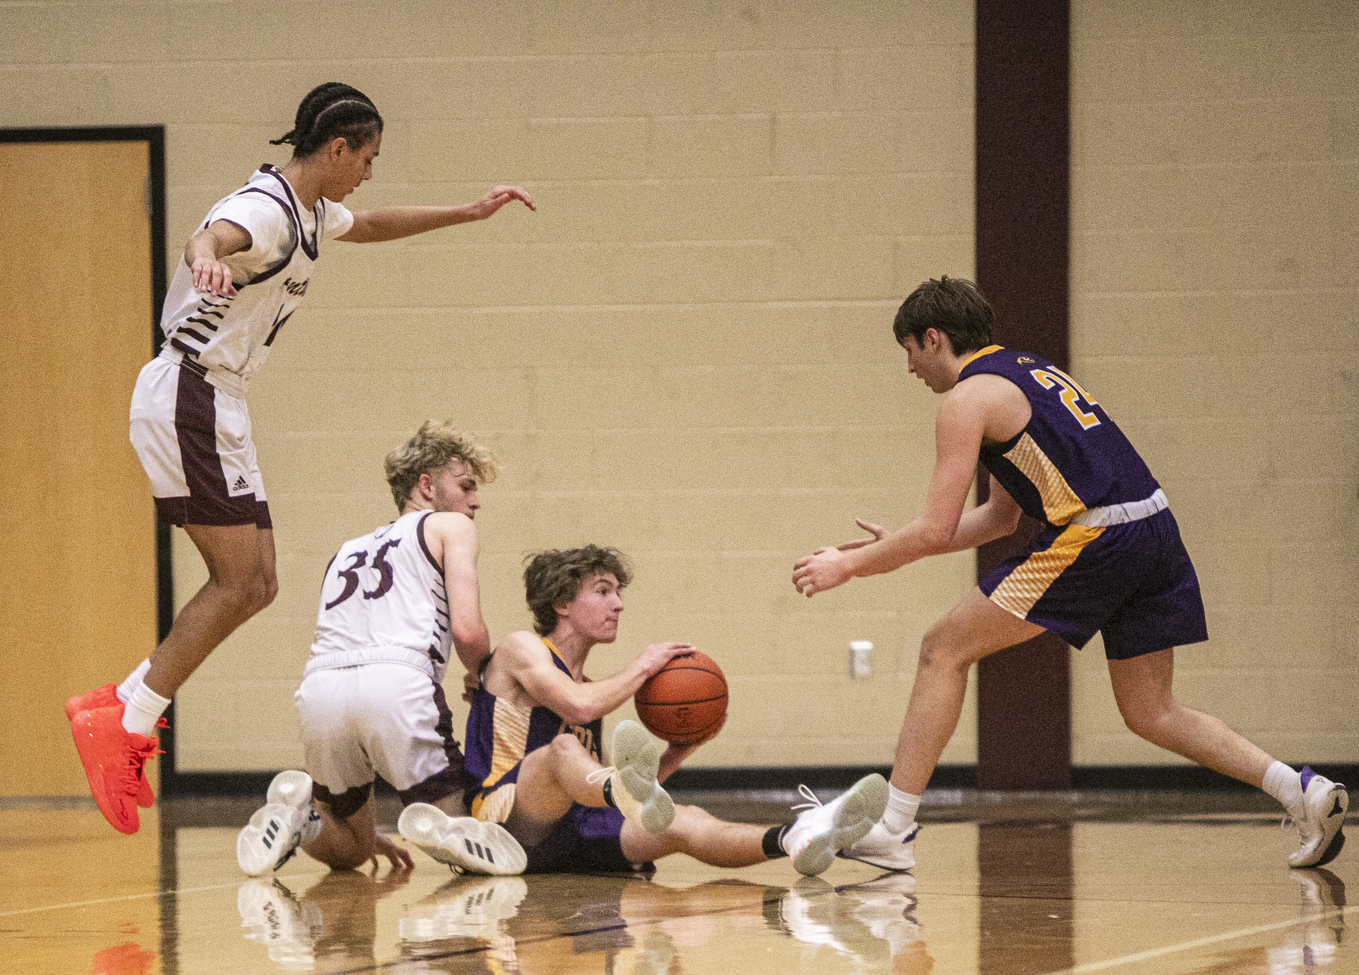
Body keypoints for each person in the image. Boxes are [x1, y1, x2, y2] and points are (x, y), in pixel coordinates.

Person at [65, 82, 537, 835]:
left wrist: (466, 211)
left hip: (220, 400)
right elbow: (213, 237)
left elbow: (373, 223)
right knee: (236, 581)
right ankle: (122, 719)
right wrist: (203, 259)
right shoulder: (264, 209)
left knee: (258, 585)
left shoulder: (314, 211)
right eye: (369, 157)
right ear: (338, 147)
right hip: (190, 390)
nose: (370, 174)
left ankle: (122, 707)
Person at [792, 276, 1349, 871]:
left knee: (941, 649)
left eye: (908, 350)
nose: (909, 369)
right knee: (1150, 711)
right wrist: (898, 543)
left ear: (934, 338)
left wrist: (848, 564)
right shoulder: (1024, 371)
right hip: (1154, 527)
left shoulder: (965, 401)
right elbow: (1000, 519)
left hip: (1100, 536)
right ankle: (1303, 792)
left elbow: (935, 529)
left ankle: (894, 828)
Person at [456, 545, 887, 877]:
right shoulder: (522, 649)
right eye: (603, 591)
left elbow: (602, 787)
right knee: (563, 749)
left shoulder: (592, 688)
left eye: (619, 593)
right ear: (562, 603)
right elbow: (576, 706)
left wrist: (675, 755)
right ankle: (620, 786)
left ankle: (799, 838)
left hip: (570, 833)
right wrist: (643, 666)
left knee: (686, 821)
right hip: (504, 822)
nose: (619, 604)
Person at [235, 420, 525, 877]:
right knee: (460, 832)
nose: (475, 500)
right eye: (466, 485)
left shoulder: (348, 549)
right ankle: (441, 827)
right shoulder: (451, 527)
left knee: (352, 847)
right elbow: (469, 632)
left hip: (321, 693)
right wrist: (481, 675)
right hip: (398, 684)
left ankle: (300, 819)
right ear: (426, 486)